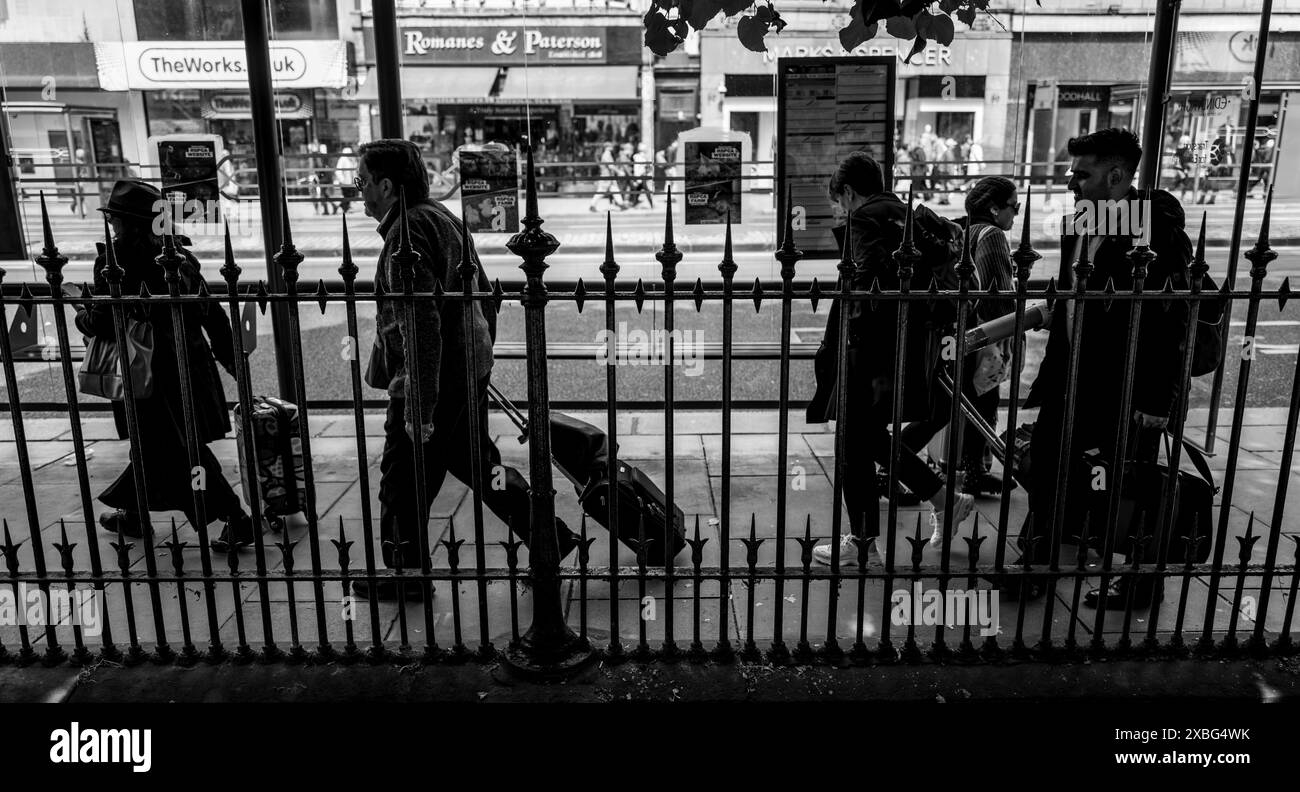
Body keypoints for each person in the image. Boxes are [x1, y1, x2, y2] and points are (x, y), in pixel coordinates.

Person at [355, 139, 579, 601]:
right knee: (479, 466)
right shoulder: (441, 216)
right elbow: (482, 297)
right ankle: (551, 537)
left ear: (387, 186)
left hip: (433, 380)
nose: (360, 192)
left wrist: (420, 406)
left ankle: (406, 575)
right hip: (465, 370)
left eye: (363, 182)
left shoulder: (407, 234)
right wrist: (479, 360)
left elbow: (422, 325)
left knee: (401, 480)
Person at [1018, 128, 1191, 608]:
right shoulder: (1079, 221)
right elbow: (1075, 288)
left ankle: (1140, 581)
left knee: (1127, 482)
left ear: (1116, 175)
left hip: (1127, 385)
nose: (1072, 182)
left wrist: (1158, 399)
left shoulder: (1152, 227)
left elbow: (1172, 317)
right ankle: (1035, 566)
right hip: (1070, 377)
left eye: (1083, 173)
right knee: (1050, 468)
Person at [807, 152, 976, 568]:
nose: (839, 210)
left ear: (848, 191)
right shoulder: (911, 216)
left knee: (853, 440)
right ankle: (936, 502)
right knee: (863, 438)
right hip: (906, 349)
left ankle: (866, 543)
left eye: (838, 201)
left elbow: (871, 286)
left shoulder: (865, 219)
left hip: (869, 352)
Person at [75, 179, 257, 550]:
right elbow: (211, 313)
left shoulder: (116, 260)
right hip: (190, 366)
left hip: (146, 374)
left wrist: (82, 316)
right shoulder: (180, 258)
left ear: (126, 222)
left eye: (115, 219)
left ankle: (236, 517)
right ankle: (135, 515)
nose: (112, 226)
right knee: (154, 447)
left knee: (182, 453)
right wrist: (232, 363)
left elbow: (103, 321)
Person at [898, 177, 1022, 496]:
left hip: (956, 335)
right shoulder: (993, 234)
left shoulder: (964, 230)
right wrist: (1012, 334)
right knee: (961, 406)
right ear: (995, 209)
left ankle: (970, 471)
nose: (1016, 214)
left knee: (957, 405)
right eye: (1014, 206)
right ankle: (894, 467)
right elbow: (998, 295)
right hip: (981, 337)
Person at [588, 142, 626, 212]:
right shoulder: (606, 155)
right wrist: (619, 172)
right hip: (606, 177)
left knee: (615, 190)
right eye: (610, 146)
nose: (612, 147)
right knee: (601, 191)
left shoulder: (608, 154)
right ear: (607, 147)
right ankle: (592, 205)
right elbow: (610, 166)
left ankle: (621, 204)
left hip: (609, 177)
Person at [335, 146, 358, 214]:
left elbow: (354, 169)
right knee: (347, 196)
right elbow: (338, 171)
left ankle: (345, 207)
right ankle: (344, 207)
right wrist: (342, 179)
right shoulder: (342, 159)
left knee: (349, 195)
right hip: (344, 182)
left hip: (350, 182)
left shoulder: (350, 160)